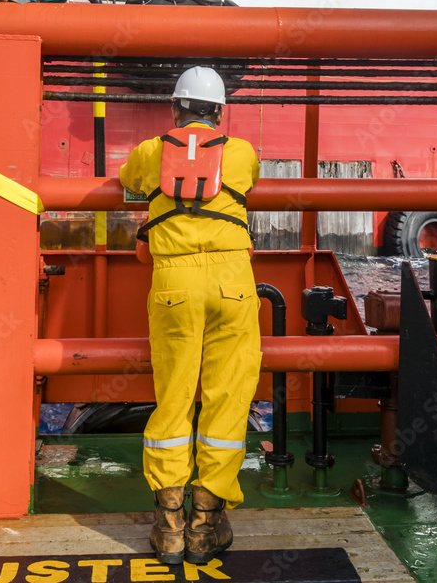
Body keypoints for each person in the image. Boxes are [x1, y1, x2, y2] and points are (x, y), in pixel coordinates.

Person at [119, 66, 262, 565]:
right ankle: (206, 525)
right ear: (220, 111)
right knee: (228, 398)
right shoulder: (241, 152)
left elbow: (130, 182)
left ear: (175, 109)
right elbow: (247, 183)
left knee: (174, 396)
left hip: (174, 281)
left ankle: (170, 527)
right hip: (232, 284)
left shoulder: (150, 151)